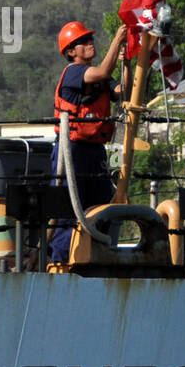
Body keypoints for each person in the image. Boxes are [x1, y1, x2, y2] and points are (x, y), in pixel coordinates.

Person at [49, 21, 127, 264]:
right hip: (70, 151)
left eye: (90, 39)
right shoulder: (73, 72)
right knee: (68, 212)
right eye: (82, 41)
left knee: (102, 207)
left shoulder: (102, 76)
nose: (89, 43)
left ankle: (98, 257)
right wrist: (117, 40)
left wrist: (127, 62)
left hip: (94, 151)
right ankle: (61, 261)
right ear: (71, 52)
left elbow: (122, 93)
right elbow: (101, 73)